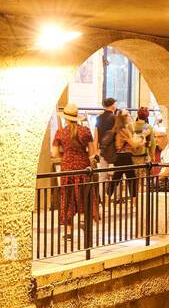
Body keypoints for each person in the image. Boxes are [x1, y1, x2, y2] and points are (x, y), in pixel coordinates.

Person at [50, 103, 97, 244]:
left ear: (66, 119)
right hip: (83, 167)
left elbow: (54, 152)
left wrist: (66, 153)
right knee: (82, 194)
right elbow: (92, 152)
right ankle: (83, 219)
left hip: (67, 168)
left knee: (68, 197)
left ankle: (69, 232)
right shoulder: (85, 131)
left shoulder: (61, 133)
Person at [94, 97, 119, 201]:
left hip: (102, 150)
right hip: (113, 151)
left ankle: (101, 198)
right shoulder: (114, 118)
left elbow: (95, 136)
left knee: (102, 176)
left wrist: (96, 151)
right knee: (116, 174)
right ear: (112, 105)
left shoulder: (98, 118)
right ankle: (115, 197)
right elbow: (118, 136)